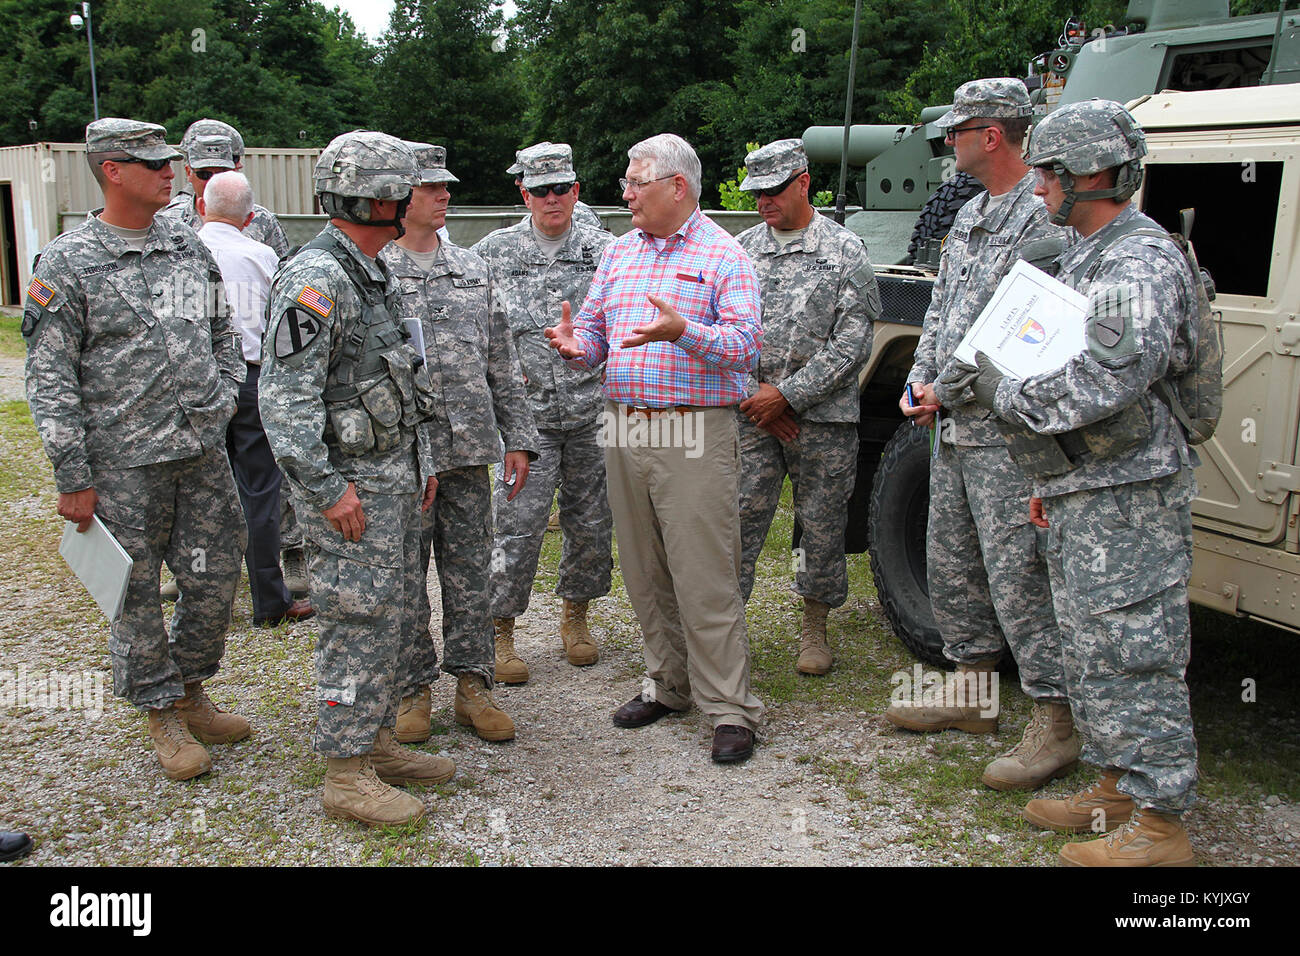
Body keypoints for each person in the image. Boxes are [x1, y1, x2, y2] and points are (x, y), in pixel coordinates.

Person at [959, 99, 1201, 866]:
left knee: (1135, 647)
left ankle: (1161, 824)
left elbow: (1108, 379)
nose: (1036, 186)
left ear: (1091, 175)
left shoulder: (1139, 261)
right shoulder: (1093, 254)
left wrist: (1008, 396)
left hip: (1130, 495)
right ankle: (1120, 785)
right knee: (1093, 646)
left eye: (1049, 173)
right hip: (1088, 485)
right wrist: (1049, 477)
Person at [24, 118, 249, 781]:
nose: (168, 172)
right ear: (111, 171)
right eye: (151, 163)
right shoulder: (69, 261)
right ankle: (161, 713)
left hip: (199, 453)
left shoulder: (185, 248)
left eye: (168, 162)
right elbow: (50, 378)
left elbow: (221, 331)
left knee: (213, 580)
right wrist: (73, 474)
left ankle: (190, 687)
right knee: (136, 594)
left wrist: (223, 399)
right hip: (123, 467)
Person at [546, 132, 764, 764]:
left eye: (635, 182)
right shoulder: (619, 253)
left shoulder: (725, 256)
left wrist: (684, 330)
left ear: (677, 186)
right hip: (625, 424)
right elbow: (594, 329)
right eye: (626, 182)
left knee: (704, 573)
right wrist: (575, 343)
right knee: (643, 568)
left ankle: (729, 708)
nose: (626, 193)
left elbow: (746, 346)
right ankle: (668, 684)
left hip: (693, 426)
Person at [886, 78, 1079, 793]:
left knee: (1020, 574)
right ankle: (972, 689)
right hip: (955, 427)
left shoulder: (1043, 221)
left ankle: (1055, 720)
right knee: (955, 556)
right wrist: (919, 375)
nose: (948, 143)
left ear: (990, 134)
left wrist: (949, 386)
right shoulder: (970, 214)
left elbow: (1022, 329)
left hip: (1008, 431)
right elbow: (942, 305)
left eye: (956, 131)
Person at [259, 131, 454, 826]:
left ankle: (373, 745)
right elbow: (283, 401)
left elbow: (402, 376)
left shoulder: (371, 271)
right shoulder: (317, 278)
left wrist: (419, 461)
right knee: (354, 622)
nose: (410, 202)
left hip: (392, 479)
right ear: (376, 199)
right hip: (350, 492)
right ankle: (345, 773)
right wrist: (328, 489)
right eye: (401, 192)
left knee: (393, 616)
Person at [381, 143, 539, 744]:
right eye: (431, 188)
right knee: (405, 573)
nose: (445, 195)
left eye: (447, 186)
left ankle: (473, 686)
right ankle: (413, 687)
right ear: (401, 196)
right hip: (403, 456)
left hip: (470, 450)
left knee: (471, 570)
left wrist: (518, 437)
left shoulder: (474, 269)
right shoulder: (375, 272)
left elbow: (503, 358)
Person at [733, 139, 879, 676]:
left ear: (802, 182)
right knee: (738, 520)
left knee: (821, 522)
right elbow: (718, 332)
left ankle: (814, 627)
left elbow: (853, 341)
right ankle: (725, 629)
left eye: (774, 190)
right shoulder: (740, 250)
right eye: (757, 193)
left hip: (822, 419)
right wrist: (758, 397)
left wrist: (788, 395)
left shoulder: (845, 250)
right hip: (750, 415)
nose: (764, 202)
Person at [472, 142, 614, 684]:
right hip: (525, 419)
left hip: (592, 410)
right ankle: (501, 629)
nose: (552, 199)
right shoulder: (491, 253)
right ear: (523, 193)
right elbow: (477, 332)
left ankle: (576, 618)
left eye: (562, 189)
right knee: (517, 521)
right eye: (540, 190)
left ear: (576, 191)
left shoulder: (608, 251)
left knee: (591, 520)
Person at [156, 118, 303, 602]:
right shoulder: (169, 225)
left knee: (260, 482)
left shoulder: (260, 226)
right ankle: (201, 579)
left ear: (238, 165)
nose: (208, 176)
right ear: (186, 171)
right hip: (203, 376)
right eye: (201, 169)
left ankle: (268, 573)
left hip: (241, 373)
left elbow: (284, 294)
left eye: (220, 167)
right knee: (202, 483)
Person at [197, 171, 315, 628]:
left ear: (203, 207)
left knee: (200, 496)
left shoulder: (184, 252)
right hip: (250, 380)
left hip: (198, 385)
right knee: (259, 491)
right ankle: (269, 601)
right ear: (250, 216)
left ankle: (206, 601)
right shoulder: (262, 254)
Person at [158, 118, 291, 259]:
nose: (213, 181)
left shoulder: (262, 220)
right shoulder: (170, 222)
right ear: (188, 173)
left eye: (222, 173)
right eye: (204, 174)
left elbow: (283, 272)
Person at [506, 144, 606, 231]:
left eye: (519, 176)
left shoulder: (581, 215)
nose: (516, 182)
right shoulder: (528, 223)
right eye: (540, 190)